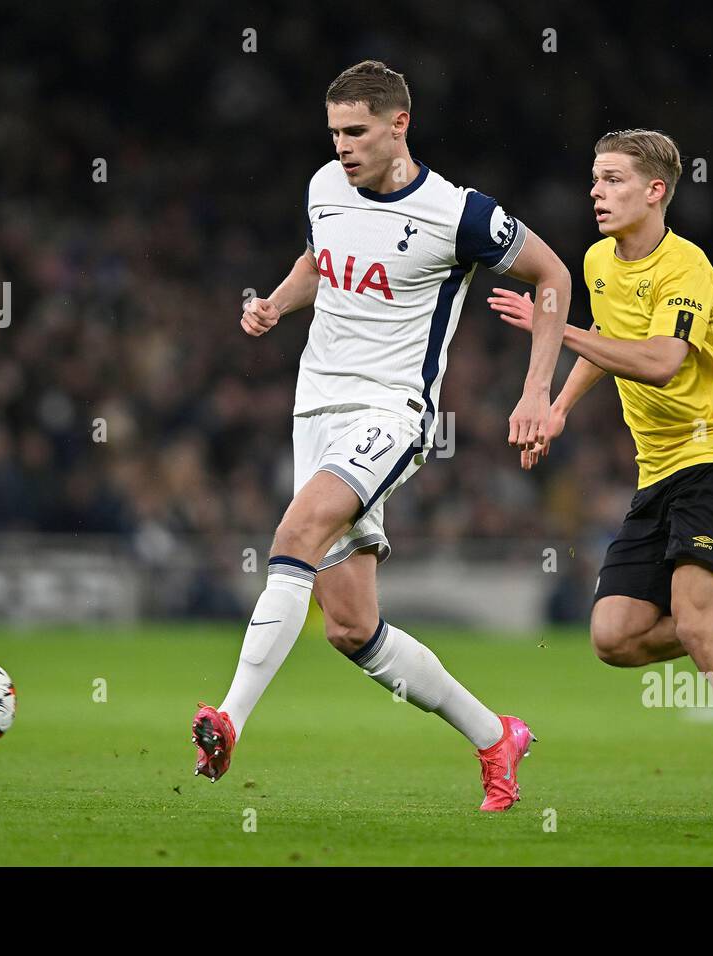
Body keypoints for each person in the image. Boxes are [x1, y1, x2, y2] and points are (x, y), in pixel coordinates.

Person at [192, 61, 571, 811]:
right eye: (334, 132)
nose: (343, 147)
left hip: (392, 412)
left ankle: (228, 718)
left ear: (401, 124)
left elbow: (552, 273)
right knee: (350, 625)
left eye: (357, 132)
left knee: (295, 529)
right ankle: (496, 735)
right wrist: (275, 301)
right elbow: (319, 262)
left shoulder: (459, 214)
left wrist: (537, 390)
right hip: (315, 411)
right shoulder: (323, 187)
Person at [490, 129, 713, 813]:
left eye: (613, 179)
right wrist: (556, 408)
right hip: (659, 474)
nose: (596, 191)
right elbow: (608, 345)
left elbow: (659, 360)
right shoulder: (595, 261)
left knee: (698, 624)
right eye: (593, 178)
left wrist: (551, 328)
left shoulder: (687, 269)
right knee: (613, 638)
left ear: (655, 192)